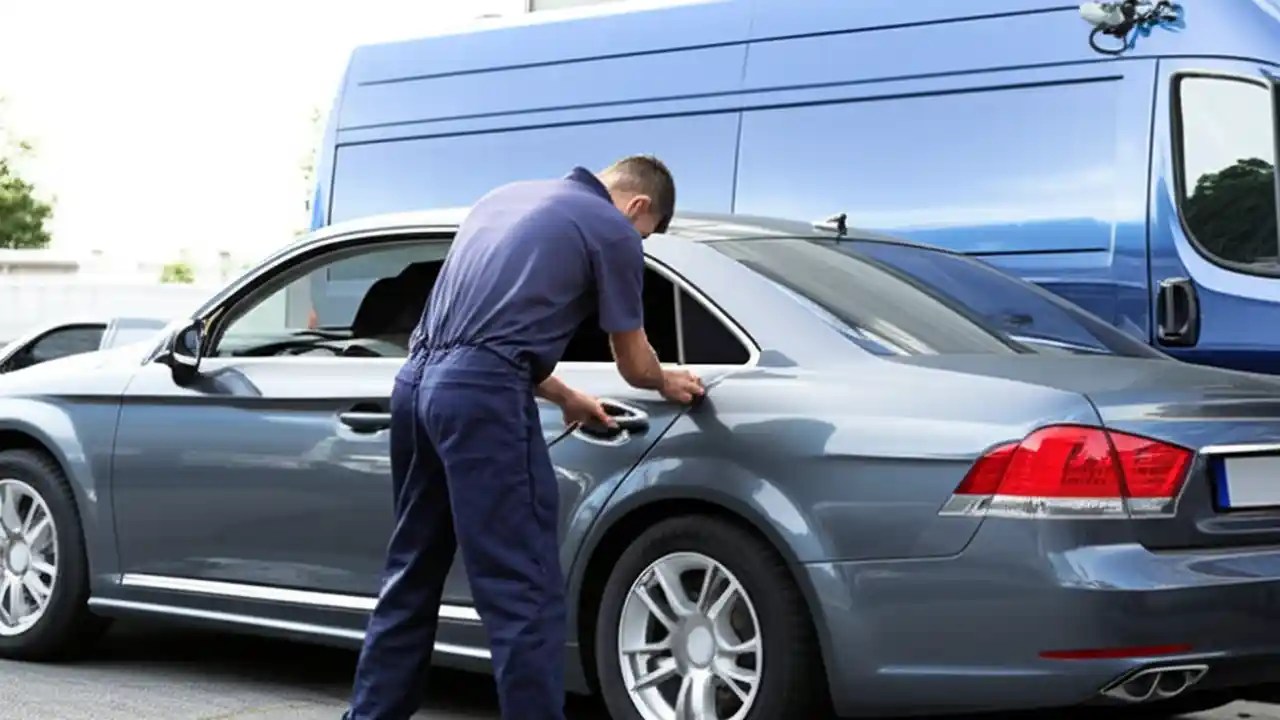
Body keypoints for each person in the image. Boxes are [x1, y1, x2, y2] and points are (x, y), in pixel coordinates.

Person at [343, 156, 706, 720]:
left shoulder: (503, 199)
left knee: (411, 573)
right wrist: (667, 379)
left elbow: (481, 327)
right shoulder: (612, 228)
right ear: (639, 207)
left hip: (414, 387)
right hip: (481, 402)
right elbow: (634, 363)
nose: (639, 242)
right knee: (525, 592)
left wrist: (564, 396)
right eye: (647, 233)